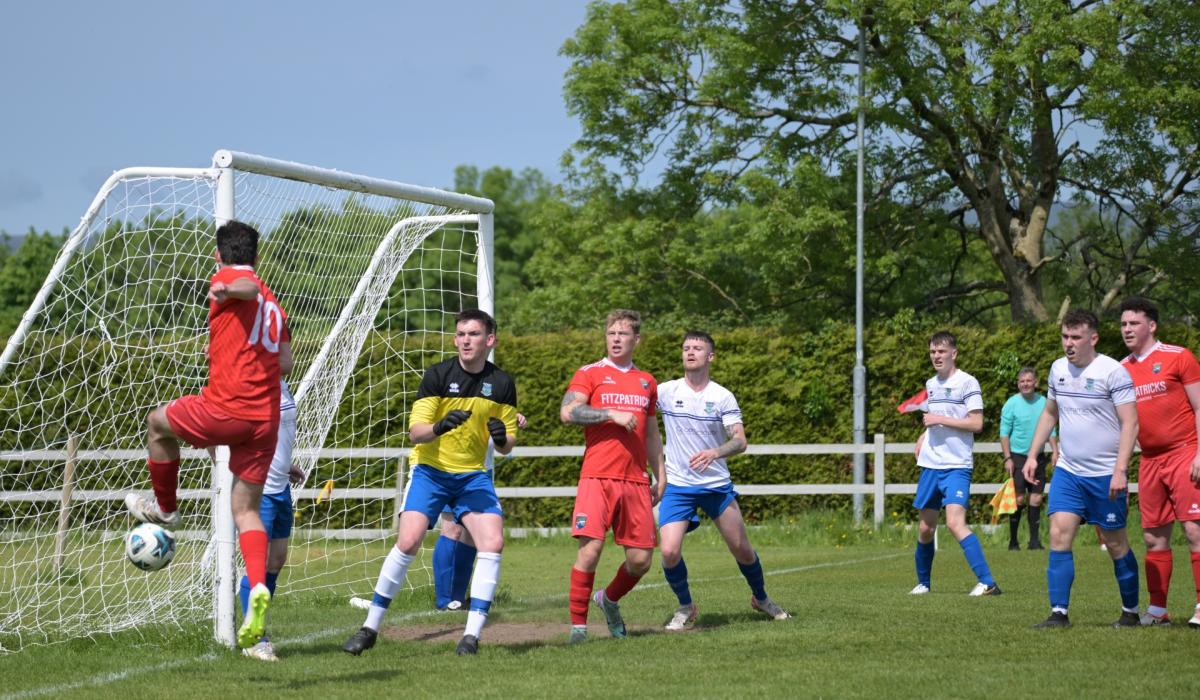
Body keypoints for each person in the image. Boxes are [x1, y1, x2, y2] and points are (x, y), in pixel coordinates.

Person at [123, 220, 291, 650]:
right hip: (264, 419)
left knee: (157, 423)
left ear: (220, 255)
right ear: (259, 252)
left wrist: (225, 290)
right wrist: (234, 349)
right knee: (245, 509)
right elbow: (285, 363)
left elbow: (245, 288)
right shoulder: (276, 306)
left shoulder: (235, 280)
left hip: (227, 409)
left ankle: (165, 509)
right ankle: (257, 586)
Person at [342, 309, 517, 657]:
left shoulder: (502, 383)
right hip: (431, 471)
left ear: (490, 340)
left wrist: (500, 439)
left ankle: (470, 637)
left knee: (493, 542)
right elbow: (415, 433)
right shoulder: (438, 375)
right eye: (461, 334)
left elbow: (508, 443)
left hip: (472, 477)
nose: (465, 340)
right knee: (408, 541)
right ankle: (370, 627)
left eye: (473, 334)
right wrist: (439, 427)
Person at [655, 331, 789, 631]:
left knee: (742, 549)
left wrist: (715, 452)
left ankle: (761, 598)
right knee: (668, 551)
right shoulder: (665, 391)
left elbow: (740, 440)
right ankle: (686, 606)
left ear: (710, 356)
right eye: (686, 348)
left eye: (697, 348)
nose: (690, 352)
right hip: (678, 485)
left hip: (716, 485)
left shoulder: (721, 396)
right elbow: (639, 413)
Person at [1024, 309, 1140, 628]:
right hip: (1069, 472)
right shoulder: (1057, 369)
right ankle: (1058, 613)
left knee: (1116, 543)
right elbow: (1050, 414)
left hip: (1105, 474)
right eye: (1065, 336)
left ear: (1093, 338)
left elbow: (1130, 422)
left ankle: (1131, 612)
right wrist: (1034, 455)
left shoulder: (1113, 372)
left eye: (1076, 337)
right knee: (1059, 533)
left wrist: (1120, 470)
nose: (1069, 344)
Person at [560, 309, 665, 643]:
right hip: (597, 476)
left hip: (635, 479)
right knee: (590, 550)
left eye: (623, 334)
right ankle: (578, 628)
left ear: (636, 339)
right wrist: (610, 414)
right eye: (611, 333)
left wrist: (660, 474)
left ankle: (609, 600)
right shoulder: (589, 373)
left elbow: (651, 434)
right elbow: (568, 412)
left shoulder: (647, 381)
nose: (616, 339)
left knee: (641, 561)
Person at [1117, 296, 1200, 627]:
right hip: (1149, 460)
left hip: (1184, 453)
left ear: (1152, 325)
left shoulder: (1179, 357)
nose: (1127, 329)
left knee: (1194, 531)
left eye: (1133, 323)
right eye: (1123, 324)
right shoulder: (1120, 369)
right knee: (1153, 538)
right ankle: (1158, 609)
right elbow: (1121, 424)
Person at [910, 331, 1000, 597]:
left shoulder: (968, 383)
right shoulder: (931, 383)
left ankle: (988, 582)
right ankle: (923, 584)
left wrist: (938, 419)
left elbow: (976, 423)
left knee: (954, 523)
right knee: (925, 528)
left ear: (954, 354)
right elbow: (936, 420)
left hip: (957, 465)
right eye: (932, 352)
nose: (936, 356)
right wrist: (923, 435)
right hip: (931, 464)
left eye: (941, 351)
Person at [432, 412, 527, 611]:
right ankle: (443, 601)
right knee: (451, 529)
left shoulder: (494, 394)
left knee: (472, 536)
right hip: (453, 468)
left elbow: (502, 430)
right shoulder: (455, 391)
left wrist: (513, 418)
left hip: (482, 472)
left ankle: (458, 599)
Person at [239, 379, 304, 661]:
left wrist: (284, 465)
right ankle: (254, 639)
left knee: (277, 560)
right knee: (258, 563)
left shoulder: (283, 384)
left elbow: (275, 435)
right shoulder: (252, 385)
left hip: (280, 487)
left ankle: (257, 626)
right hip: (259, 489)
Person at [999, 367, 1059, 550]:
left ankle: (1034, 542)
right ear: (1018, 384)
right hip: (1017, 457)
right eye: (1022, 381)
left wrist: (1055, 450)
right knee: (1018, 499)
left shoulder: (1044, 403)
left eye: (1028, 380)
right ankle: (1013, 541)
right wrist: (1007, 458)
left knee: (1036, 499)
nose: (1025, 384)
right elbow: (1004, 434)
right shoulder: (1011, 404)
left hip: (1039, 457)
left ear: (1036, 382)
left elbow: (1051, 430)